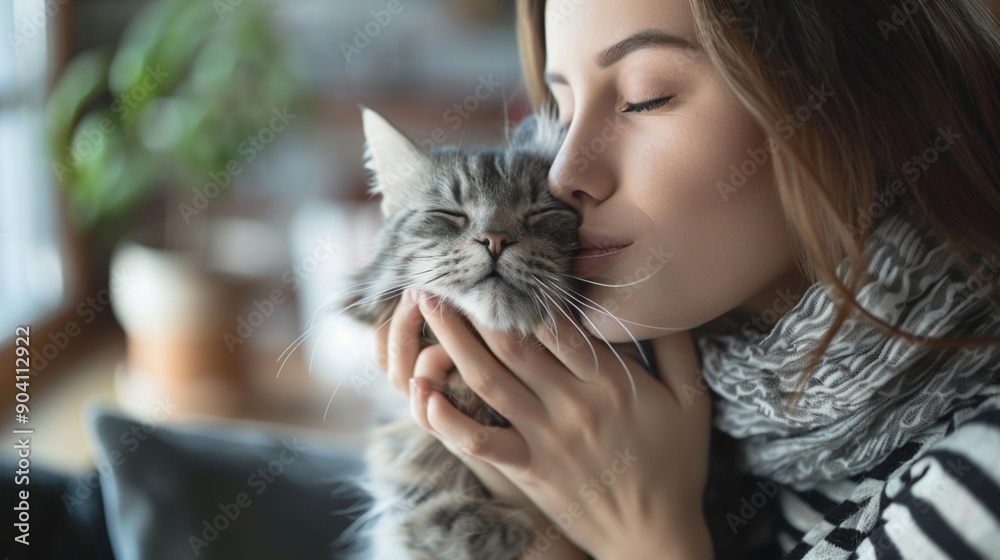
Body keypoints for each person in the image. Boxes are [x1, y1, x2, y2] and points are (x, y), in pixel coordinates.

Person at [372, 0, 1000, 558]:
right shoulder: (653, 405)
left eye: (645, 96)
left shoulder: (978, 479)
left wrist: (647, 538)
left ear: (866, 104)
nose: (562, 175)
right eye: (560, 114)